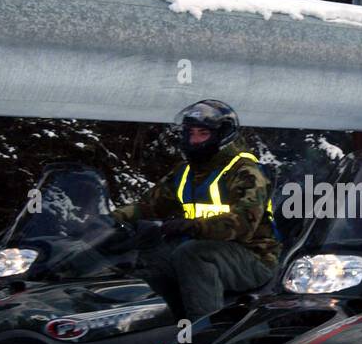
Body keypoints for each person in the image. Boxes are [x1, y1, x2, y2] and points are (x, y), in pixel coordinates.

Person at [114, 100, 278, 319]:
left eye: (203, 134)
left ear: (221, 136)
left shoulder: (245, 172)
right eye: (190, 133)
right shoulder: (186, 172)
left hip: (253, 257)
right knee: (148, 255)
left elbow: (243, 223)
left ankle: (204, 332)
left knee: (192, 254)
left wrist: (192, 226)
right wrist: (112, 220)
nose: (194, 140)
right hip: (207, 247)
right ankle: (164, 321)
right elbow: (150, 204)